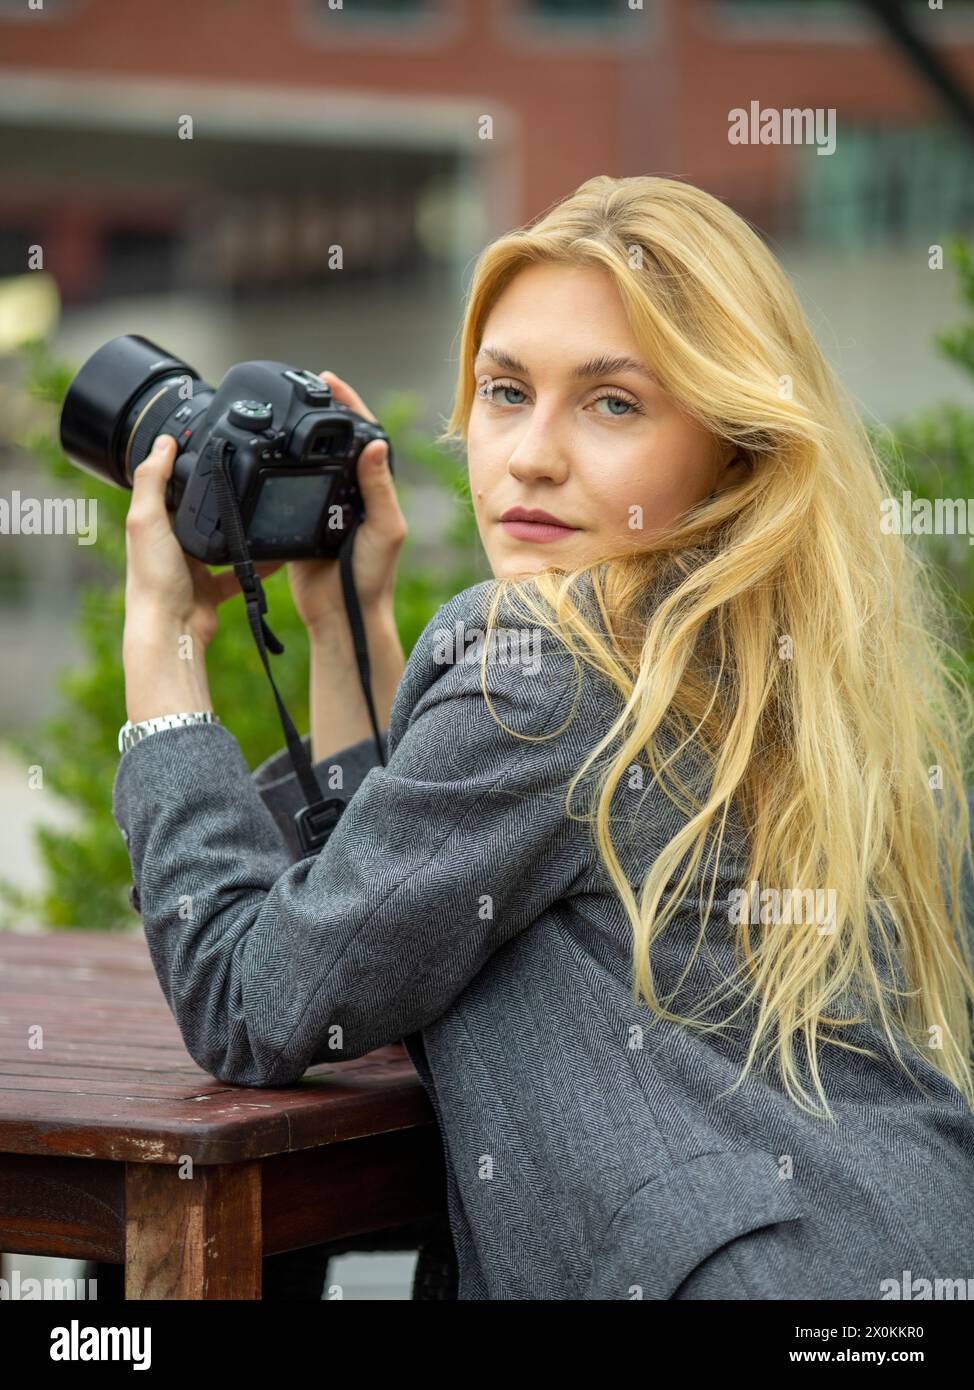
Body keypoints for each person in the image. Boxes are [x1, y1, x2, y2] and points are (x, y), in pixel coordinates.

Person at [113, 173, 974, 1301]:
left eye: (612, 403)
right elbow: (391, 910)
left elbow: (253, 1001)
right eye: (505, 391)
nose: (529, 455)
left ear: (732, 442)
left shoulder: (553, 666)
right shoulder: (816, 670)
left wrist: (165, 662)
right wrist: (347, 624)